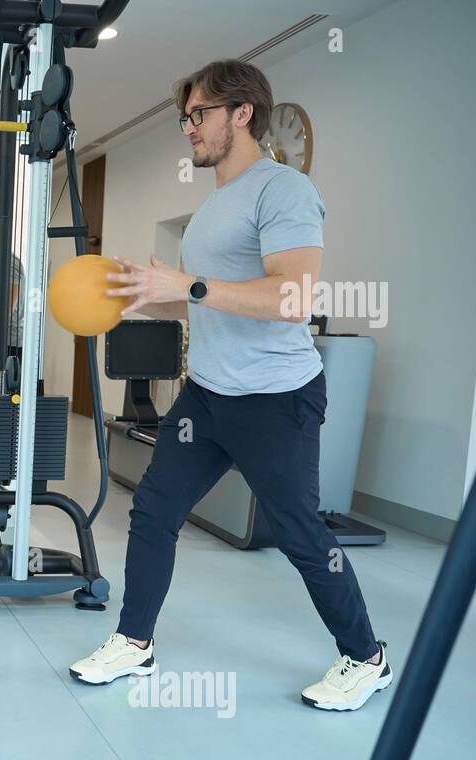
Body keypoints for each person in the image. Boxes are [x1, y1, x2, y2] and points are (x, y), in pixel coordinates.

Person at [70, 59, 390, 712]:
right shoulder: (213, 208)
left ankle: (367, 656)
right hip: (209, 395)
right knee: (155, 509)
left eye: (199, 115)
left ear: (241, 113)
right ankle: (135, 641)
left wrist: (184, 284)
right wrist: (141, 295)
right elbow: (205, 301)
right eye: (185, 116)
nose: (188, 128)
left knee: (300, 531)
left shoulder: (285, 190)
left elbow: (293, 296)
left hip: (276, 397)